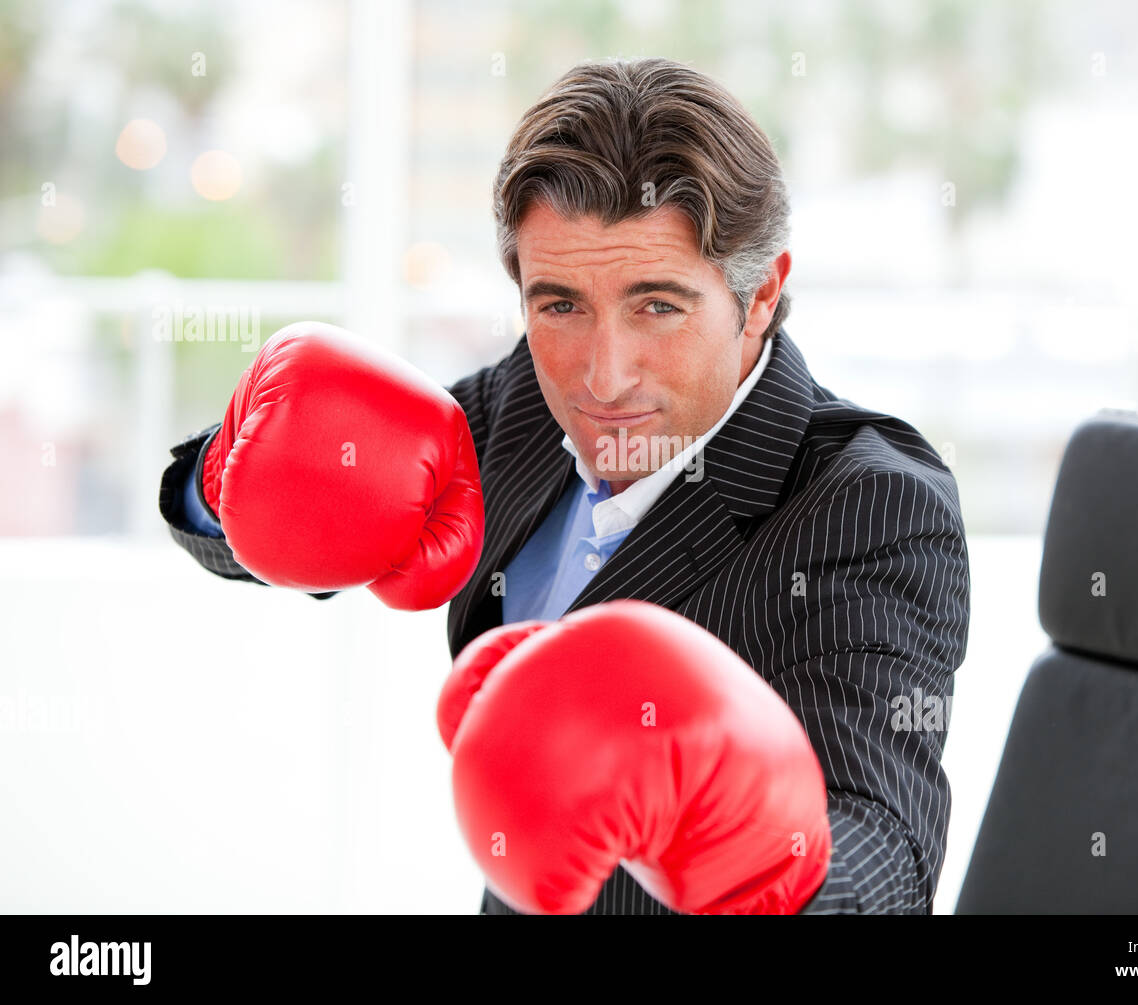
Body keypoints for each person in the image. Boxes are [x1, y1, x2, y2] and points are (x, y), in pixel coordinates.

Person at [158, 56, 971, 915]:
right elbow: (303, 494)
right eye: (561, 306)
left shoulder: (871, 506)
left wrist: (764, 873)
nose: (602, 377)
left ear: (760, 294)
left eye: (657, 305)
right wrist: (224, 480)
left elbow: (884, 841)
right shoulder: (527, 401)